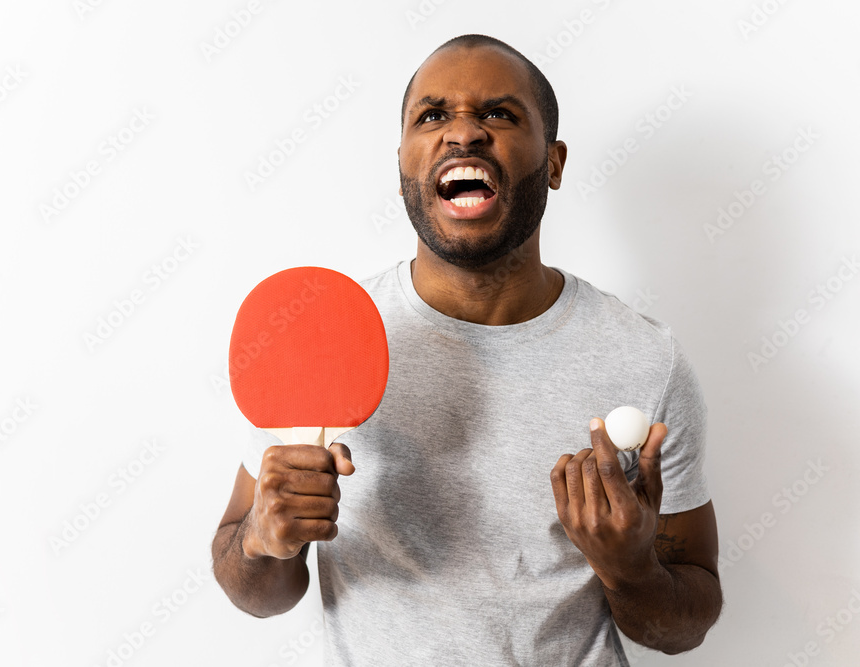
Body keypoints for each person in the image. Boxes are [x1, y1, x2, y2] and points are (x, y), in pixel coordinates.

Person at [212, 34, 722, 666]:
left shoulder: (645, 359)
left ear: (554, 163)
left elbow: (683, 628)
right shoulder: (325, 335)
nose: (463, 133)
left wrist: (632, 570)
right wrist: (263, 539)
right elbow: (256, 594)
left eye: (499, 113)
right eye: (432, 116)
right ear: (403, 167)